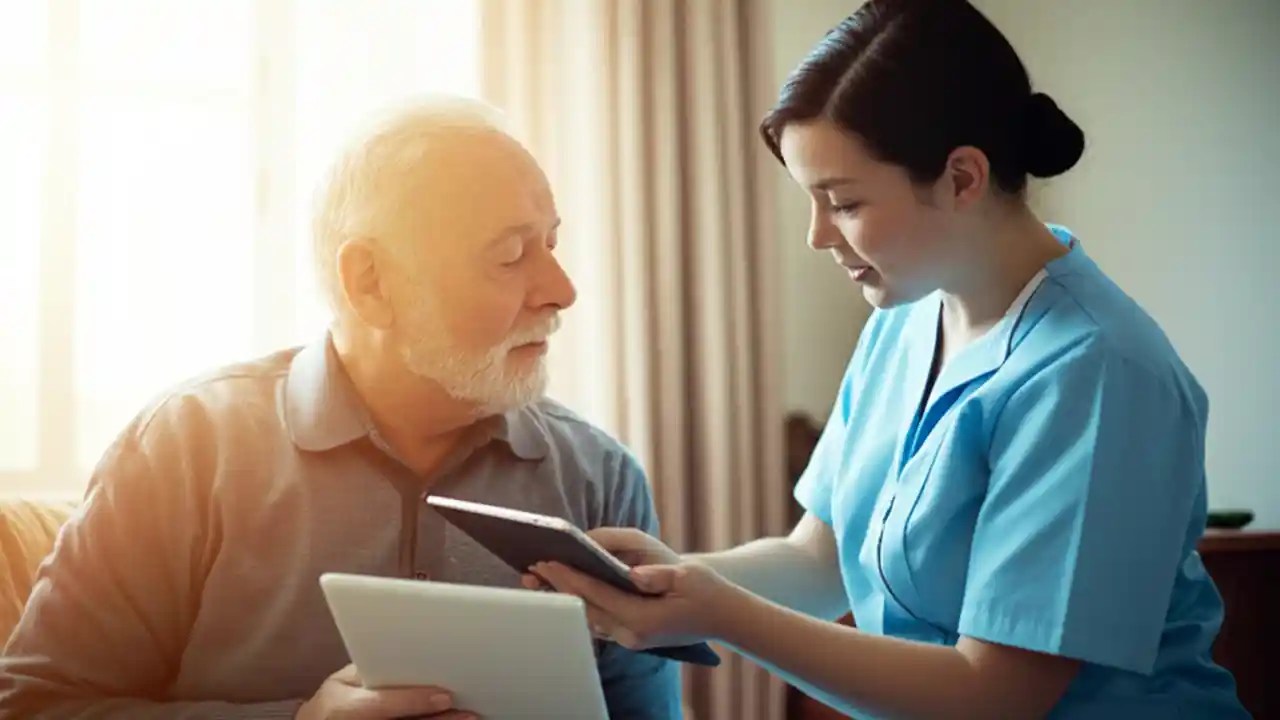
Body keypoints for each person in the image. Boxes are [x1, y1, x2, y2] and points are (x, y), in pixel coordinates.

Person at [528, 1, 1249, 718]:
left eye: (841, 202)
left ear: (962, 178)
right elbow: (819, 562)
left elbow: (993, 696)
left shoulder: (1096, 373)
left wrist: (722, 614)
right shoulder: (907, 317)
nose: (817, 236)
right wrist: (663, 577)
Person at [0, 97, 682, 719]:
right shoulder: (186, 449)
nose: (561, 291)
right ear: (369, 282)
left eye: (551, 245)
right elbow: (33, 706)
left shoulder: (601, 478)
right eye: (509, 256)